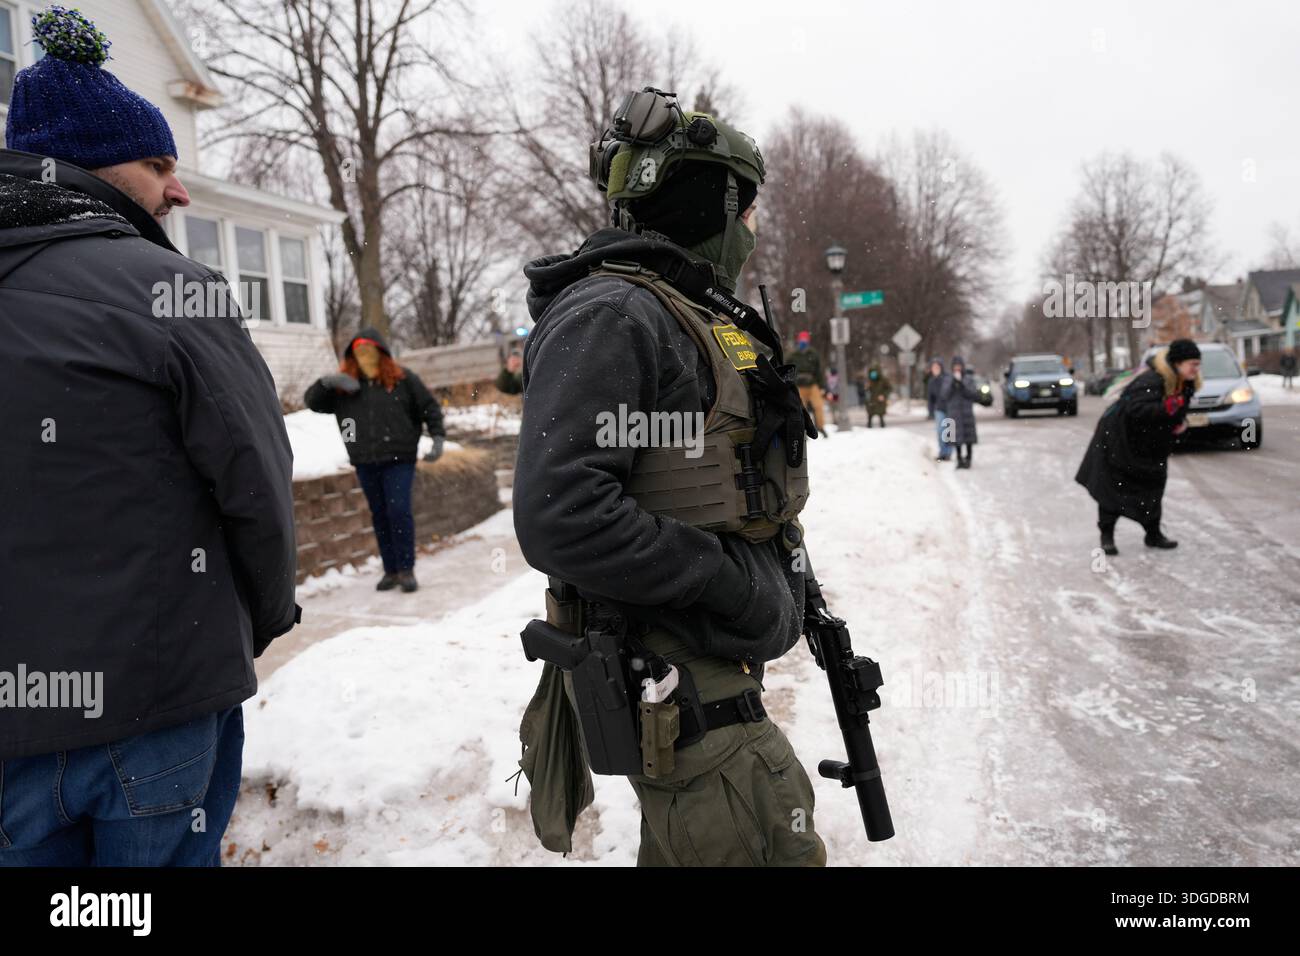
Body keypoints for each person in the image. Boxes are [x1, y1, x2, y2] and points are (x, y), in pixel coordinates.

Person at [0, 7, 298, 866]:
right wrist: (262, 623)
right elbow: (259, 490)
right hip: (155, 714)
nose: (179, 189)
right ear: (91, 167)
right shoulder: (171, 292)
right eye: (158, 164)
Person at [513, 89, 826, 866]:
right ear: (705, 200)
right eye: (744, 207)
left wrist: (788, 587)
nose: (750, 229)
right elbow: (563, 514)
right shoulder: (615, 313)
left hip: (705, 670)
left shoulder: (690, 313)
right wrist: (731, 584)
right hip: (677, 679)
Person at [304, 328, 446, 592]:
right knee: (379, 514)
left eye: (369, 350)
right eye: (359, 352)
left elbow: (430, 408)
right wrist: (327, 382)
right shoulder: (344, 387)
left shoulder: (403, 380)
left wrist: (437, 437)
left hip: (399, 458)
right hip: (365, 459)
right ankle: (390, 570)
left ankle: (406, 569)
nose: (364, 356)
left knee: (398, 510)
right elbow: (313, 403)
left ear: (382, 353)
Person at [1075, 339, 1201, 555]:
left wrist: (1178, 423)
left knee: (1153, 485)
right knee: (1112, 489)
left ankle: (1153, 534)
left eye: (1198, 364)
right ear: (1178, 363)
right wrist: (1169, 408)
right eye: (1193, 363)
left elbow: (1174, 413)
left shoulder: (1183, 383)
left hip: (1149, 445)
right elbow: (1137, 409)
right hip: (1119, 440)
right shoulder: (1153, 379)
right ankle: (1107, 537)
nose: (1196, 369)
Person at [940, 356, 980, 469]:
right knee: (956, 437)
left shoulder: (968, 379)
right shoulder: (948, 379)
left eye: (959, 366)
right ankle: (959, 458)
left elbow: (973, 395)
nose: (957, 368)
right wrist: (953, 384)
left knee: (968, 437)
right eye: (955, 366)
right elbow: (944, 395)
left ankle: (968, 458)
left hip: (966, 412)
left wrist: (962, 386)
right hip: (954, 412)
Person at [790, 330, 829, 437]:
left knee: (819, 406)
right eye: (801, 339)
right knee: (802, 408)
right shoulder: (793, 355)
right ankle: (803, 429)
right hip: (799, 385)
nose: (803, 341)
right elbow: (788, 368)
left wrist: (822, 386)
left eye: (805, 340)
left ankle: (821, 427)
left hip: (812, 384)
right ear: (798, 341)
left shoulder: (813, 353)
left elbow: (818, 370)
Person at [926, 357, 953, 461]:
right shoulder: (931, 381)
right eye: (933, 367)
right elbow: (930, 398)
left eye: (937, 367)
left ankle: (949, 452)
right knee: (940, 431)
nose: (935, 369)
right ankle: (942, 452)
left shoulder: (947, 378)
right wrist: (930, 411)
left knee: (949, 432)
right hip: (939, 409)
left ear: (941, 368)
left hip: (950, 408)